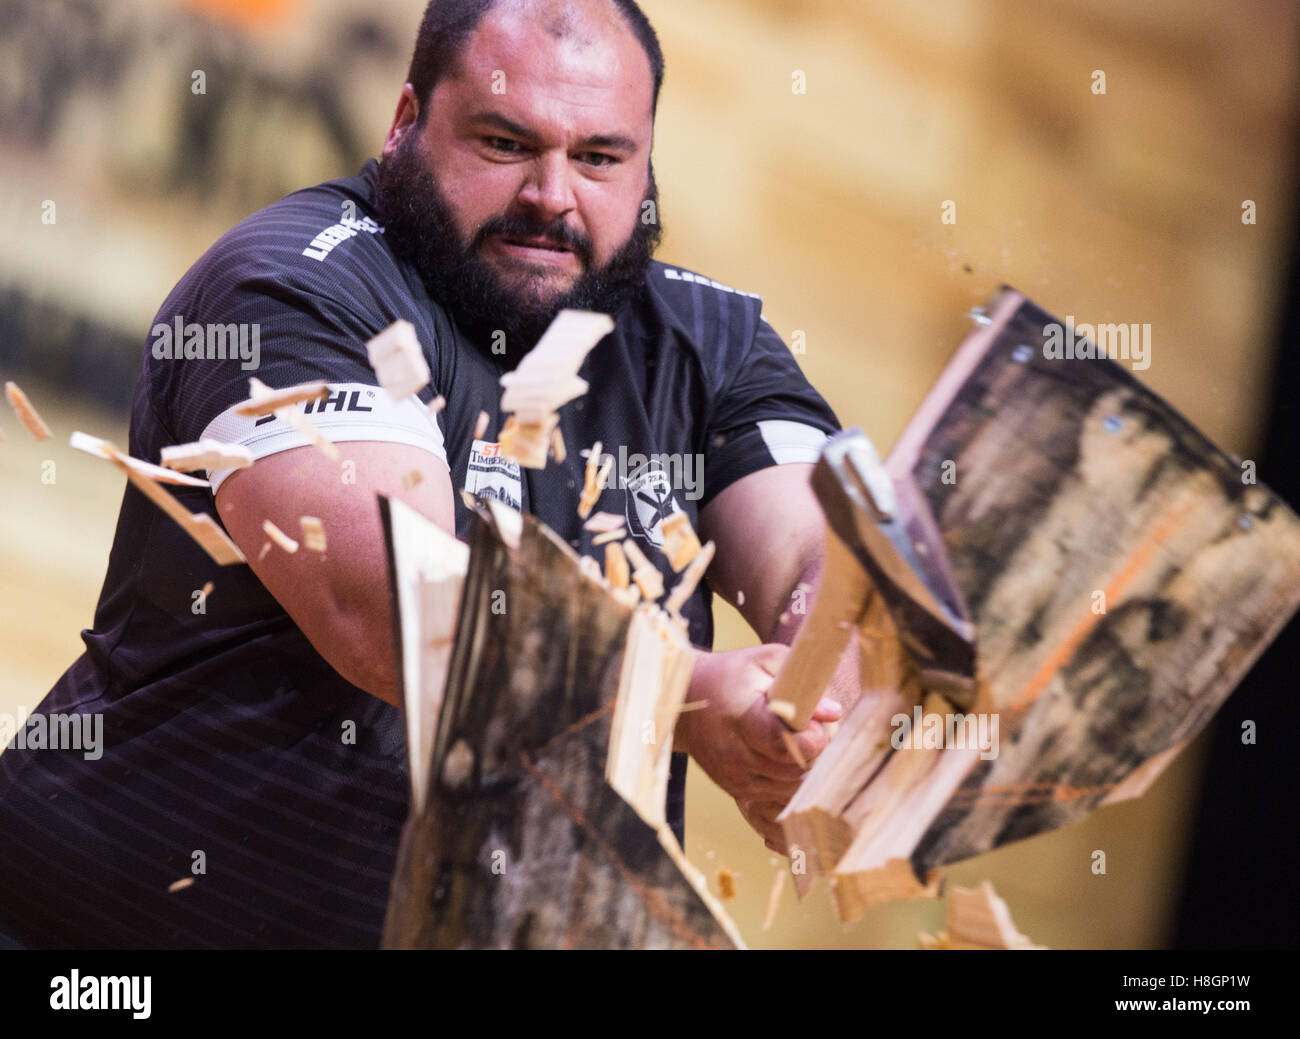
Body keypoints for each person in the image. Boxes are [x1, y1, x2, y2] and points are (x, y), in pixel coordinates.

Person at [0, 0, 857, 949]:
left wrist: (813, 706)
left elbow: (822, 560)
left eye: (601, 158)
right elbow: (393, 605)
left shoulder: (714, 346)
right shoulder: (290, 285)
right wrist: (688, 695)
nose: (552, 195)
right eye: (505, 142)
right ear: (405, 121)